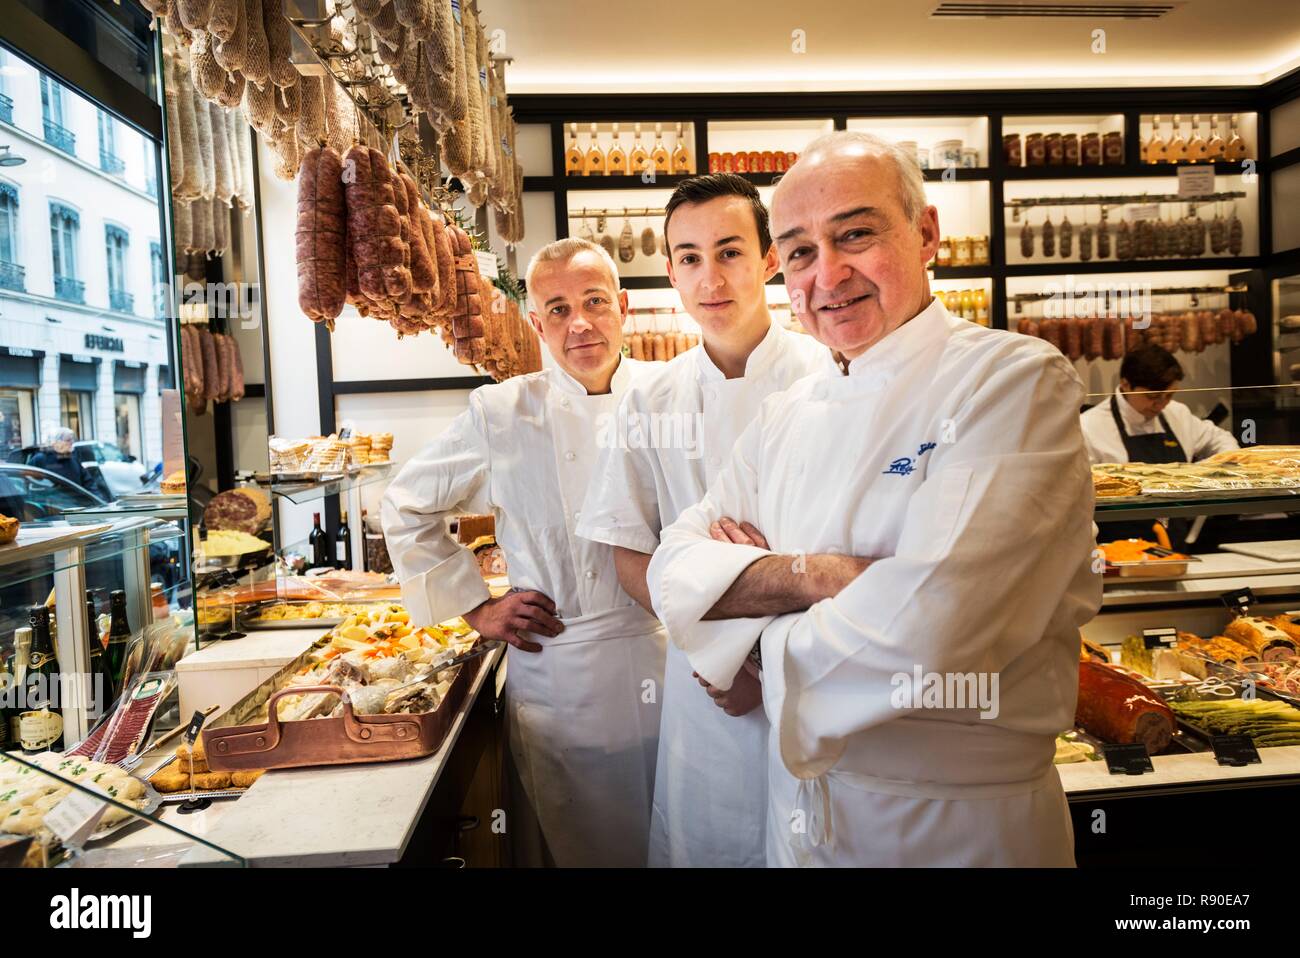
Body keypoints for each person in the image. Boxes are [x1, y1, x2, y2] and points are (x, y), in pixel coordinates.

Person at [645, 131, 1102, 867]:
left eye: (855, 234)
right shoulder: (788, 410)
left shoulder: (1011, 381)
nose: (828, 274)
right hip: (797, 813)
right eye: (798, 251)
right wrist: (823, 575)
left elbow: (932, 630)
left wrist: (752, 638)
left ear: (925, 234)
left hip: (952, 825)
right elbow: (673, 572)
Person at [381, 238, 666, 867]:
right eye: (558, 310)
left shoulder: (670, 394)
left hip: (669, 662)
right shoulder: (502, 413)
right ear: (536, 323)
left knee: (678, 840)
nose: (581, 323)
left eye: (594, 301)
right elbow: (403, 504)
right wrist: (476, 609)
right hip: (560, 673)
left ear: (624, 307)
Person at [577, 174, 827, 867]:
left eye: (729, 251)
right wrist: (721, 657)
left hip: (817, 672)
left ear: (770, 257)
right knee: (712, 845)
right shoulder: (650, 399)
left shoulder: (830, 377)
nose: (709, 277)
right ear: (668, 272)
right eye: (688, 257)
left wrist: (764, 648)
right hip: (703, 685)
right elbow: (625, 550)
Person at [1080, 343, 1238, 466]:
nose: (1161, 405)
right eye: (1152, 396)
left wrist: (1207, 469)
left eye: (1169, 395)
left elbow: (1220, 439)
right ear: (1125, 384)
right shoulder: (1088, 427)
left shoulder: (1177, 413)